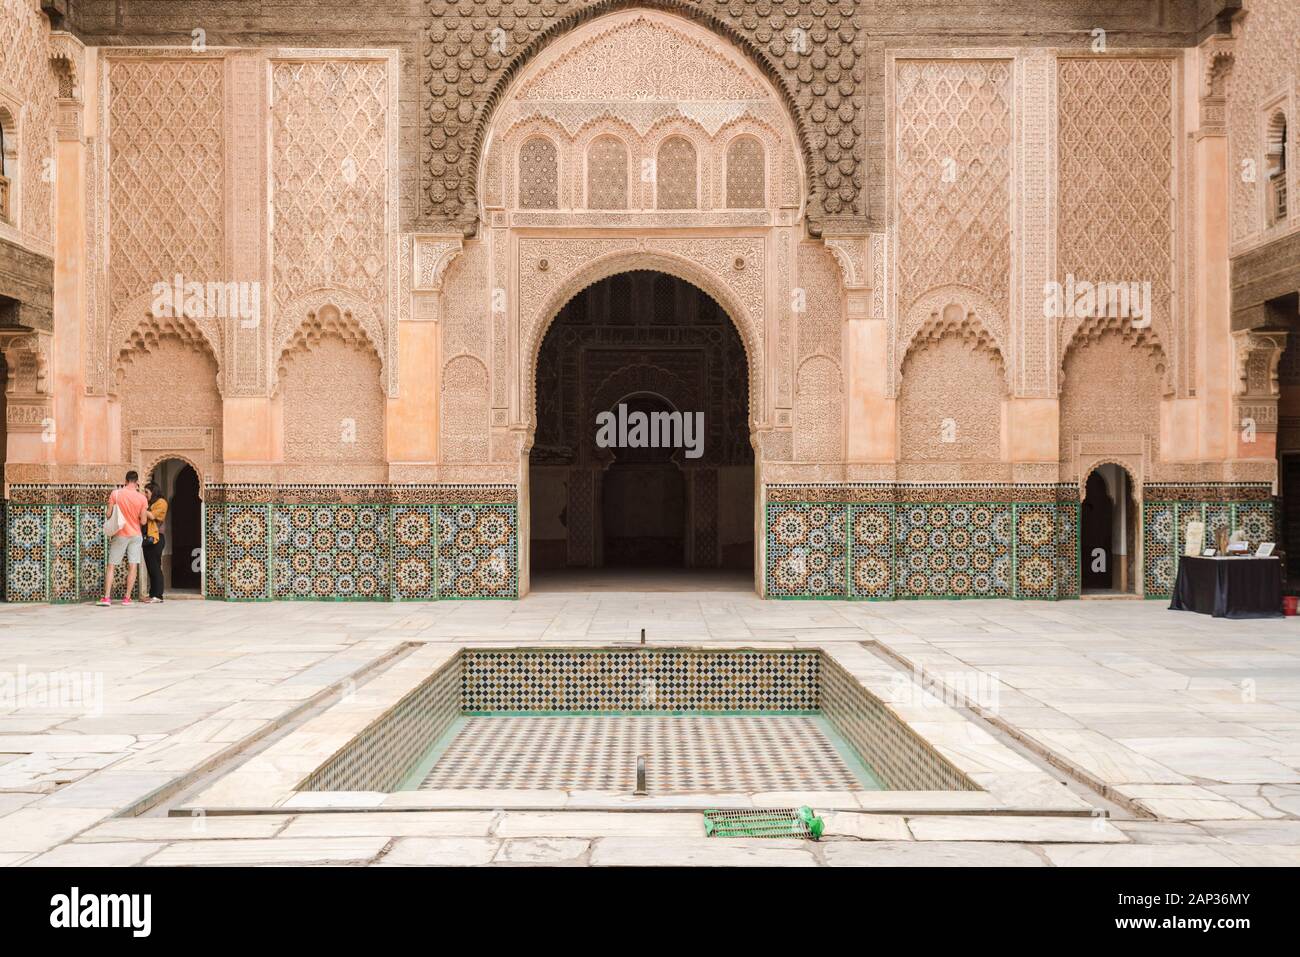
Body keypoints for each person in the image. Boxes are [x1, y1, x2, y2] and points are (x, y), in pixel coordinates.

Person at [98, 470, 150, 607]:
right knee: (133, 566)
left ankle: (107, 598)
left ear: (126, 481)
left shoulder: (116, 494)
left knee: (111, 566)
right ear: (137, 482)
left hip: (120, 534)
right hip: (136, 535)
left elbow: (108, 514)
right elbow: (144, 521)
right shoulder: (142, 498)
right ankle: (127, 598)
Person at [142, 481, 169, 604]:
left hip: (156, 538)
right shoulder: (149, 503)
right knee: (150, 568)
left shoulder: (161, 502)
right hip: (147, 539)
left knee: (155, 567)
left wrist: (140, 507)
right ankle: (152, 594)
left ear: (153, 492)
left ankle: (158, 595)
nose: (145, 494)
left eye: (146, 492)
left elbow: (152, 516)